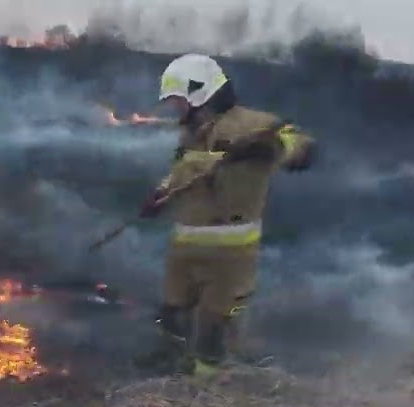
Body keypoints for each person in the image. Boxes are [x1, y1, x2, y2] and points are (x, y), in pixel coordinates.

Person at [135, 53, 317, 380]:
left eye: (178, 99)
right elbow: (183, 173)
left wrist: (275, 149)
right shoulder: (192, 134)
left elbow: (303, 144)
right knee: (171, 315)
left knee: (214, 327)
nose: (175, 107)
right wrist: (159, 196)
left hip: (230, 254)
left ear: (198, 92)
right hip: (184, 250)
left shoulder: (253, 125)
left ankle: (206, 393)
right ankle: (167, 367)